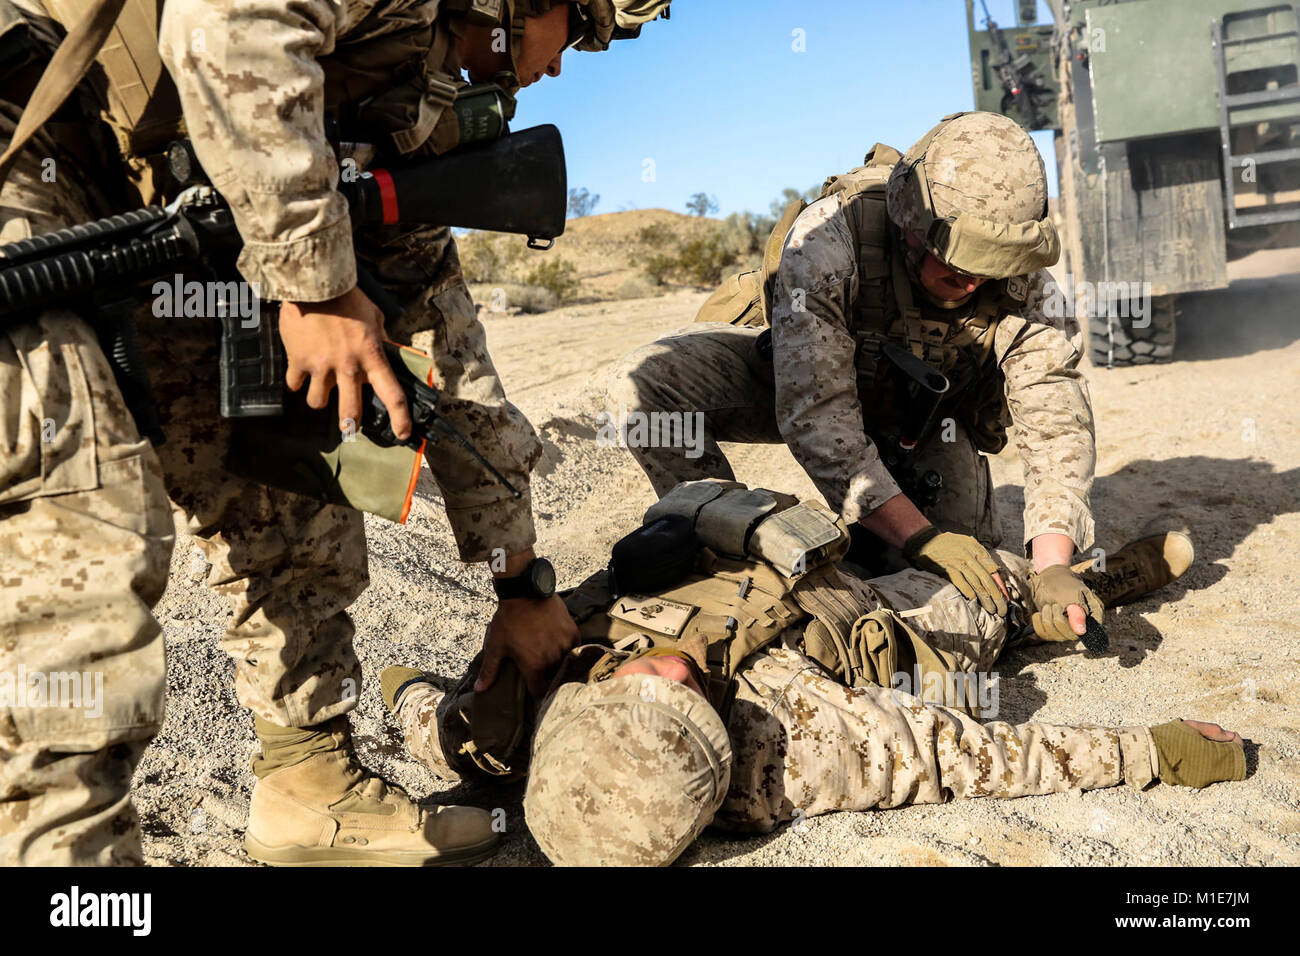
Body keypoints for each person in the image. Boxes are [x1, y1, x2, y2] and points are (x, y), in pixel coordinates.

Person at [0, 0, 671, 866]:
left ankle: (306, 783)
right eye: (578, 32)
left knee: (301, 459)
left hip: (172, 227)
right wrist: (315, 285)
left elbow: (448, 345)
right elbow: (223, 25)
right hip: (32, 140)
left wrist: (521, 581)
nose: (559, 66)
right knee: (85, 526)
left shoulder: (404, 94)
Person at [381, 480, 1237, 866]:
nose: (675, 673)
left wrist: (406, 691)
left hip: (750, 551)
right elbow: (972, 758)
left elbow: (427, 721)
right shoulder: (792, 748)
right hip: (862, 622)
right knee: (987, 599)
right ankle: (1072, 594)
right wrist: (1153, 752)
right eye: (690, 708)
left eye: (643, 688)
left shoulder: (507, 722)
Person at [606, 111, 1108, 653]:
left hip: (922, 423)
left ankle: (1009, 583)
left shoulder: (1026, 286)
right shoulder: (830, 239)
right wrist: (920, 535)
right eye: (958, 262)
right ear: (911, 220)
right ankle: (721, 546)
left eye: (992, 266)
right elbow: (818, 416)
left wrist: (1053, 563)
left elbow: (1057, 423)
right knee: (645, 387)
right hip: (802, 386)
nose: (973, 281)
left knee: (966, 581)